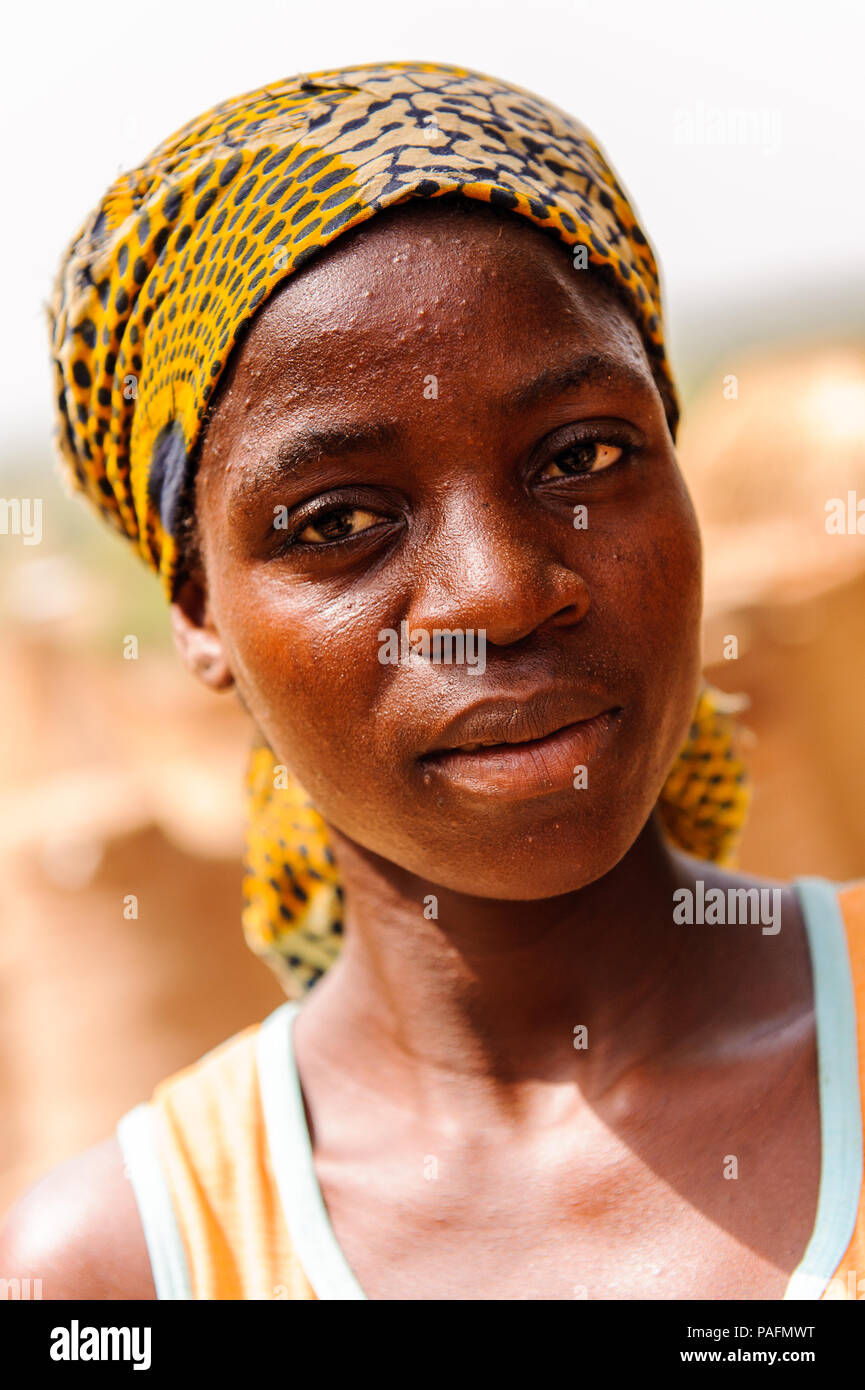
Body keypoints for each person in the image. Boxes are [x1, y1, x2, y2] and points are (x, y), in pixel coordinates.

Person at [2, 60, 863, 1301]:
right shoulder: (123, 1273)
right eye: (336, 518)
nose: (500, 594)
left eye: (583, 452)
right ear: (195, 609)